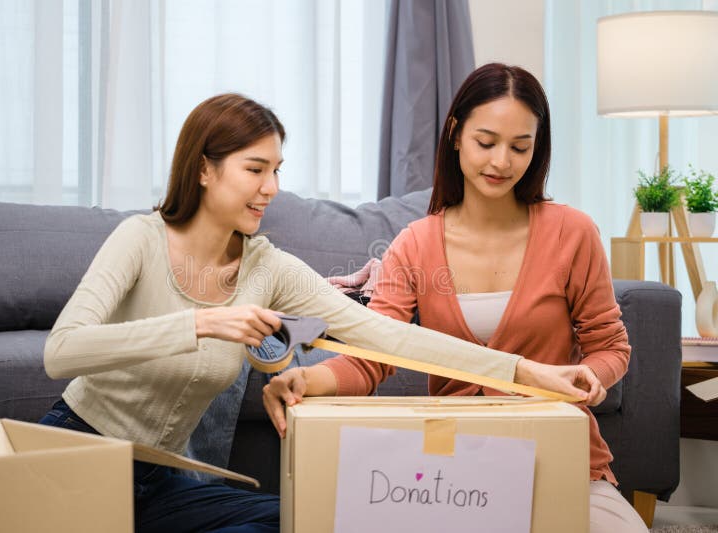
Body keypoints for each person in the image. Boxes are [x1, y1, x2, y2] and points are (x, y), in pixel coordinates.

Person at [39, 93, 603, 533]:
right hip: (79, 454)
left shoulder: (268, 268)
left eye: (277, 170)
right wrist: (201, 323)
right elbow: (60, 352)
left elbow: (386, 336)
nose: (271, 188)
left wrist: (524, 372)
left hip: (162, 479)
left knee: (305, 520)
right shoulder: (140, 239)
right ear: (204, 169)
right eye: (255, 170)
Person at [262, 64, 648, 533]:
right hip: (455, 472)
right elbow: (372, 355)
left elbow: (610, 346)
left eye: (520, 147)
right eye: (486, 142)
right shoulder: (415, 244)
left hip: (564, 456)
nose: (501, 162)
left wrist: (591, 375)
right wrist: (305, 379)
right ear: (455, 135)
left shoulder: (574, 232)